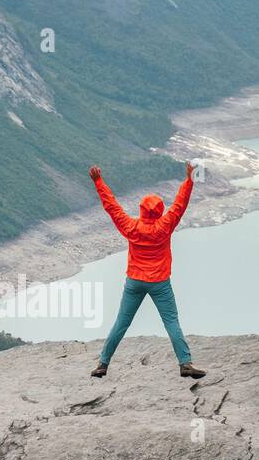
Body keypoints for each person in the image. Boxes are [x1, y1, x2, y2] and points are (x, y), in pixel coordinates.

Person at [88, 162, 206, 379]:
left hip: (134, 281)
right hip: (160, 282)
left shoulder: (131, 227)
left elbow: (111, 207)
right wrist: (189, 180)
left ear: (141, 209)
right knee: (171, 322)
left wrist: (98, 182)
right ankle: (185, 363)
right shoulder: (165, 225)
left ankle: (103, 364)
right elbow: (180, 204)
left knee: (122, 322)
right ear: (160, 210)